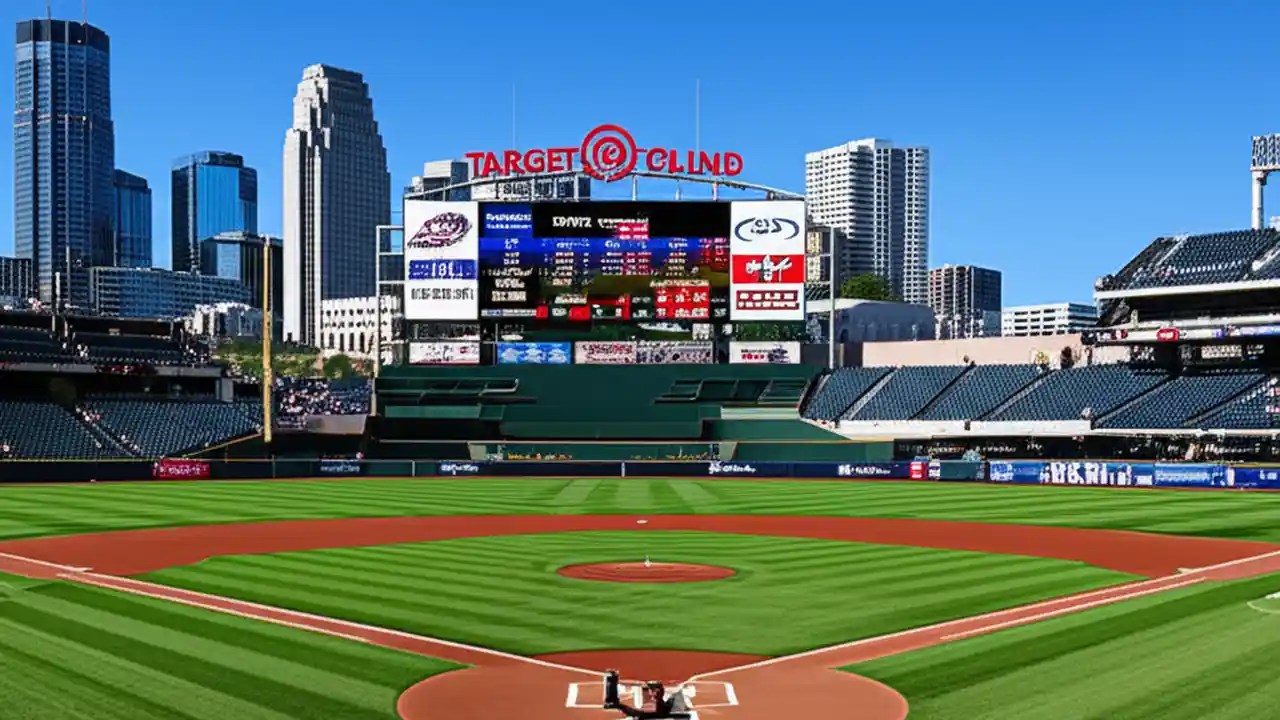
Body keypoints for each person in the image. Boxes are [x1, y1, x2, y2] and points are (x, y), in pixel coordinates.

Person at [603, 672, 691, 719]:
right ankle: (612, 698)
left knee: (626, 709)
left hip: (653, 715)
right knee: (670, 705)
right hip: (659, 715)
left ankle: (612, 695)